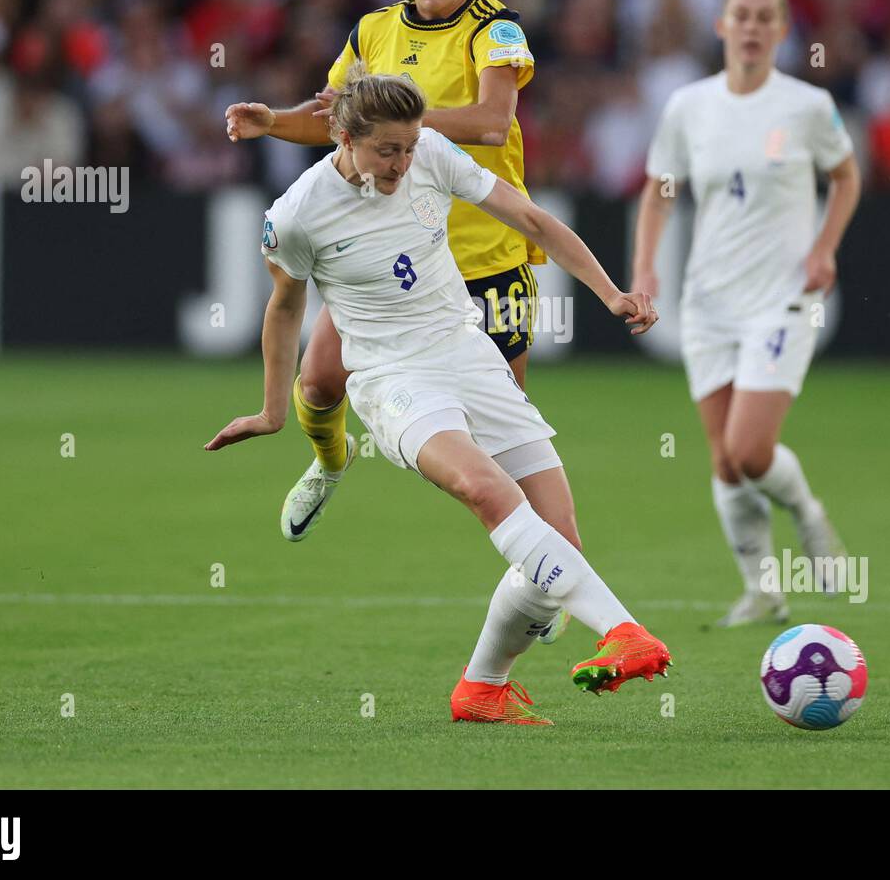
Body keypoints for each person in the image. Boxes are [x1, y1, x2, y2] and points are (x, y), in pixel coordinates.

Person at [205, 65, 671, 724]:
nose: (400, 163)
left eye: (408, 145)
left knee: (560, 544)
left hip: (468, 354)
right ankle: (624, 630)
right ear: (341, 135)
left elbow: (531, 219)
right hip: (392, 379)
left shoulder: (430, 154)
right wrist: (271, 410)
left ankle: (481, 688)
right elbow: (285, 309)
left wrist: (612, 292)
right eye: (385, 150)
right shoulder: (297, 215)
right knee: (486, 491)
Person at [224, 0, 545, 550]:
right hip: (387, 250)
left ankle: (537, 570)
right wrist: (274, 121)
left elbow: (492, 121)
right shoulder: (374, 29)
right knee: (315, 381)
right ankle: (330, 460)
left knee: (502, 442)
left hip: (484, 258)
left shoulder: (497, 28)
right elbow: (341, 122)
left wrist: (399, 119)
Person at [632, 0, 862, 626]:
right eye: (742, 15)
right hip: (708, 302)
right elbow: (659, 189)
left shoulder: (808, 106)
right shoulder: (688, 106)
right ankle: (763, 589)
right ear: (721, 26)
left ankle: (810, 515)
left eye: (767, 17)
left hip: (781, 297)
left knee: (751, 449)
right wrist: (645, 266)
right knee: (724, 458)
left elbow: (845, 176)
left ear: (784, 31)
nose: (753, 27)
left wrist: (825, 248)